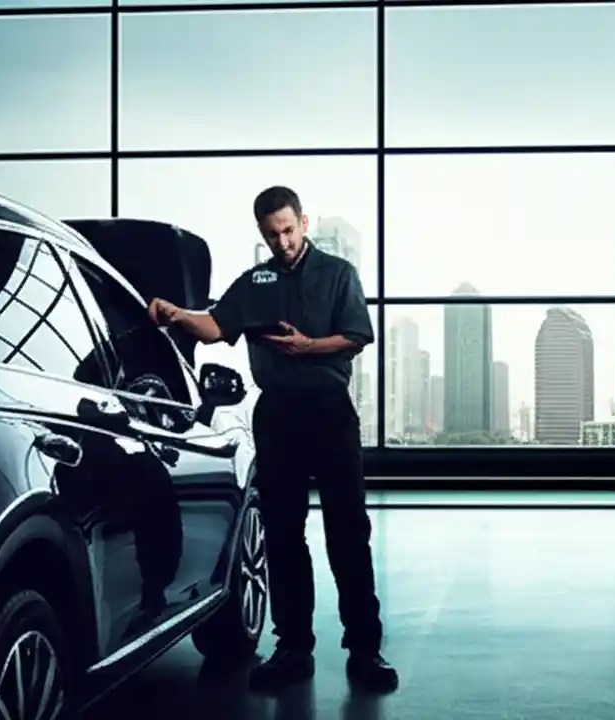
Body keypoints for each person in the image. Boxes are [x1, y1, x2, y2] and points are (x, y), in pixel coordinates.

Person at [146, 186, 398, 694]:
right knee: (283, 534)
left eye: (288, 229)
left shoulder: (338, 274)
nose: (282, 241)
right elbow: (216, 325)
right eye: (271, 234)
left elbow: (356, 335)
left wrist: (308, 347)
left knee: (348, 532)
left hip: (329, 413)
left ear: (303, 222)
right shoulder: (255, 281)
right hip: (277, 415)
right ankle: (292, 649)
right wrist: (176, 313)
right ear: (262, 233)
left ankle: (365, 650)